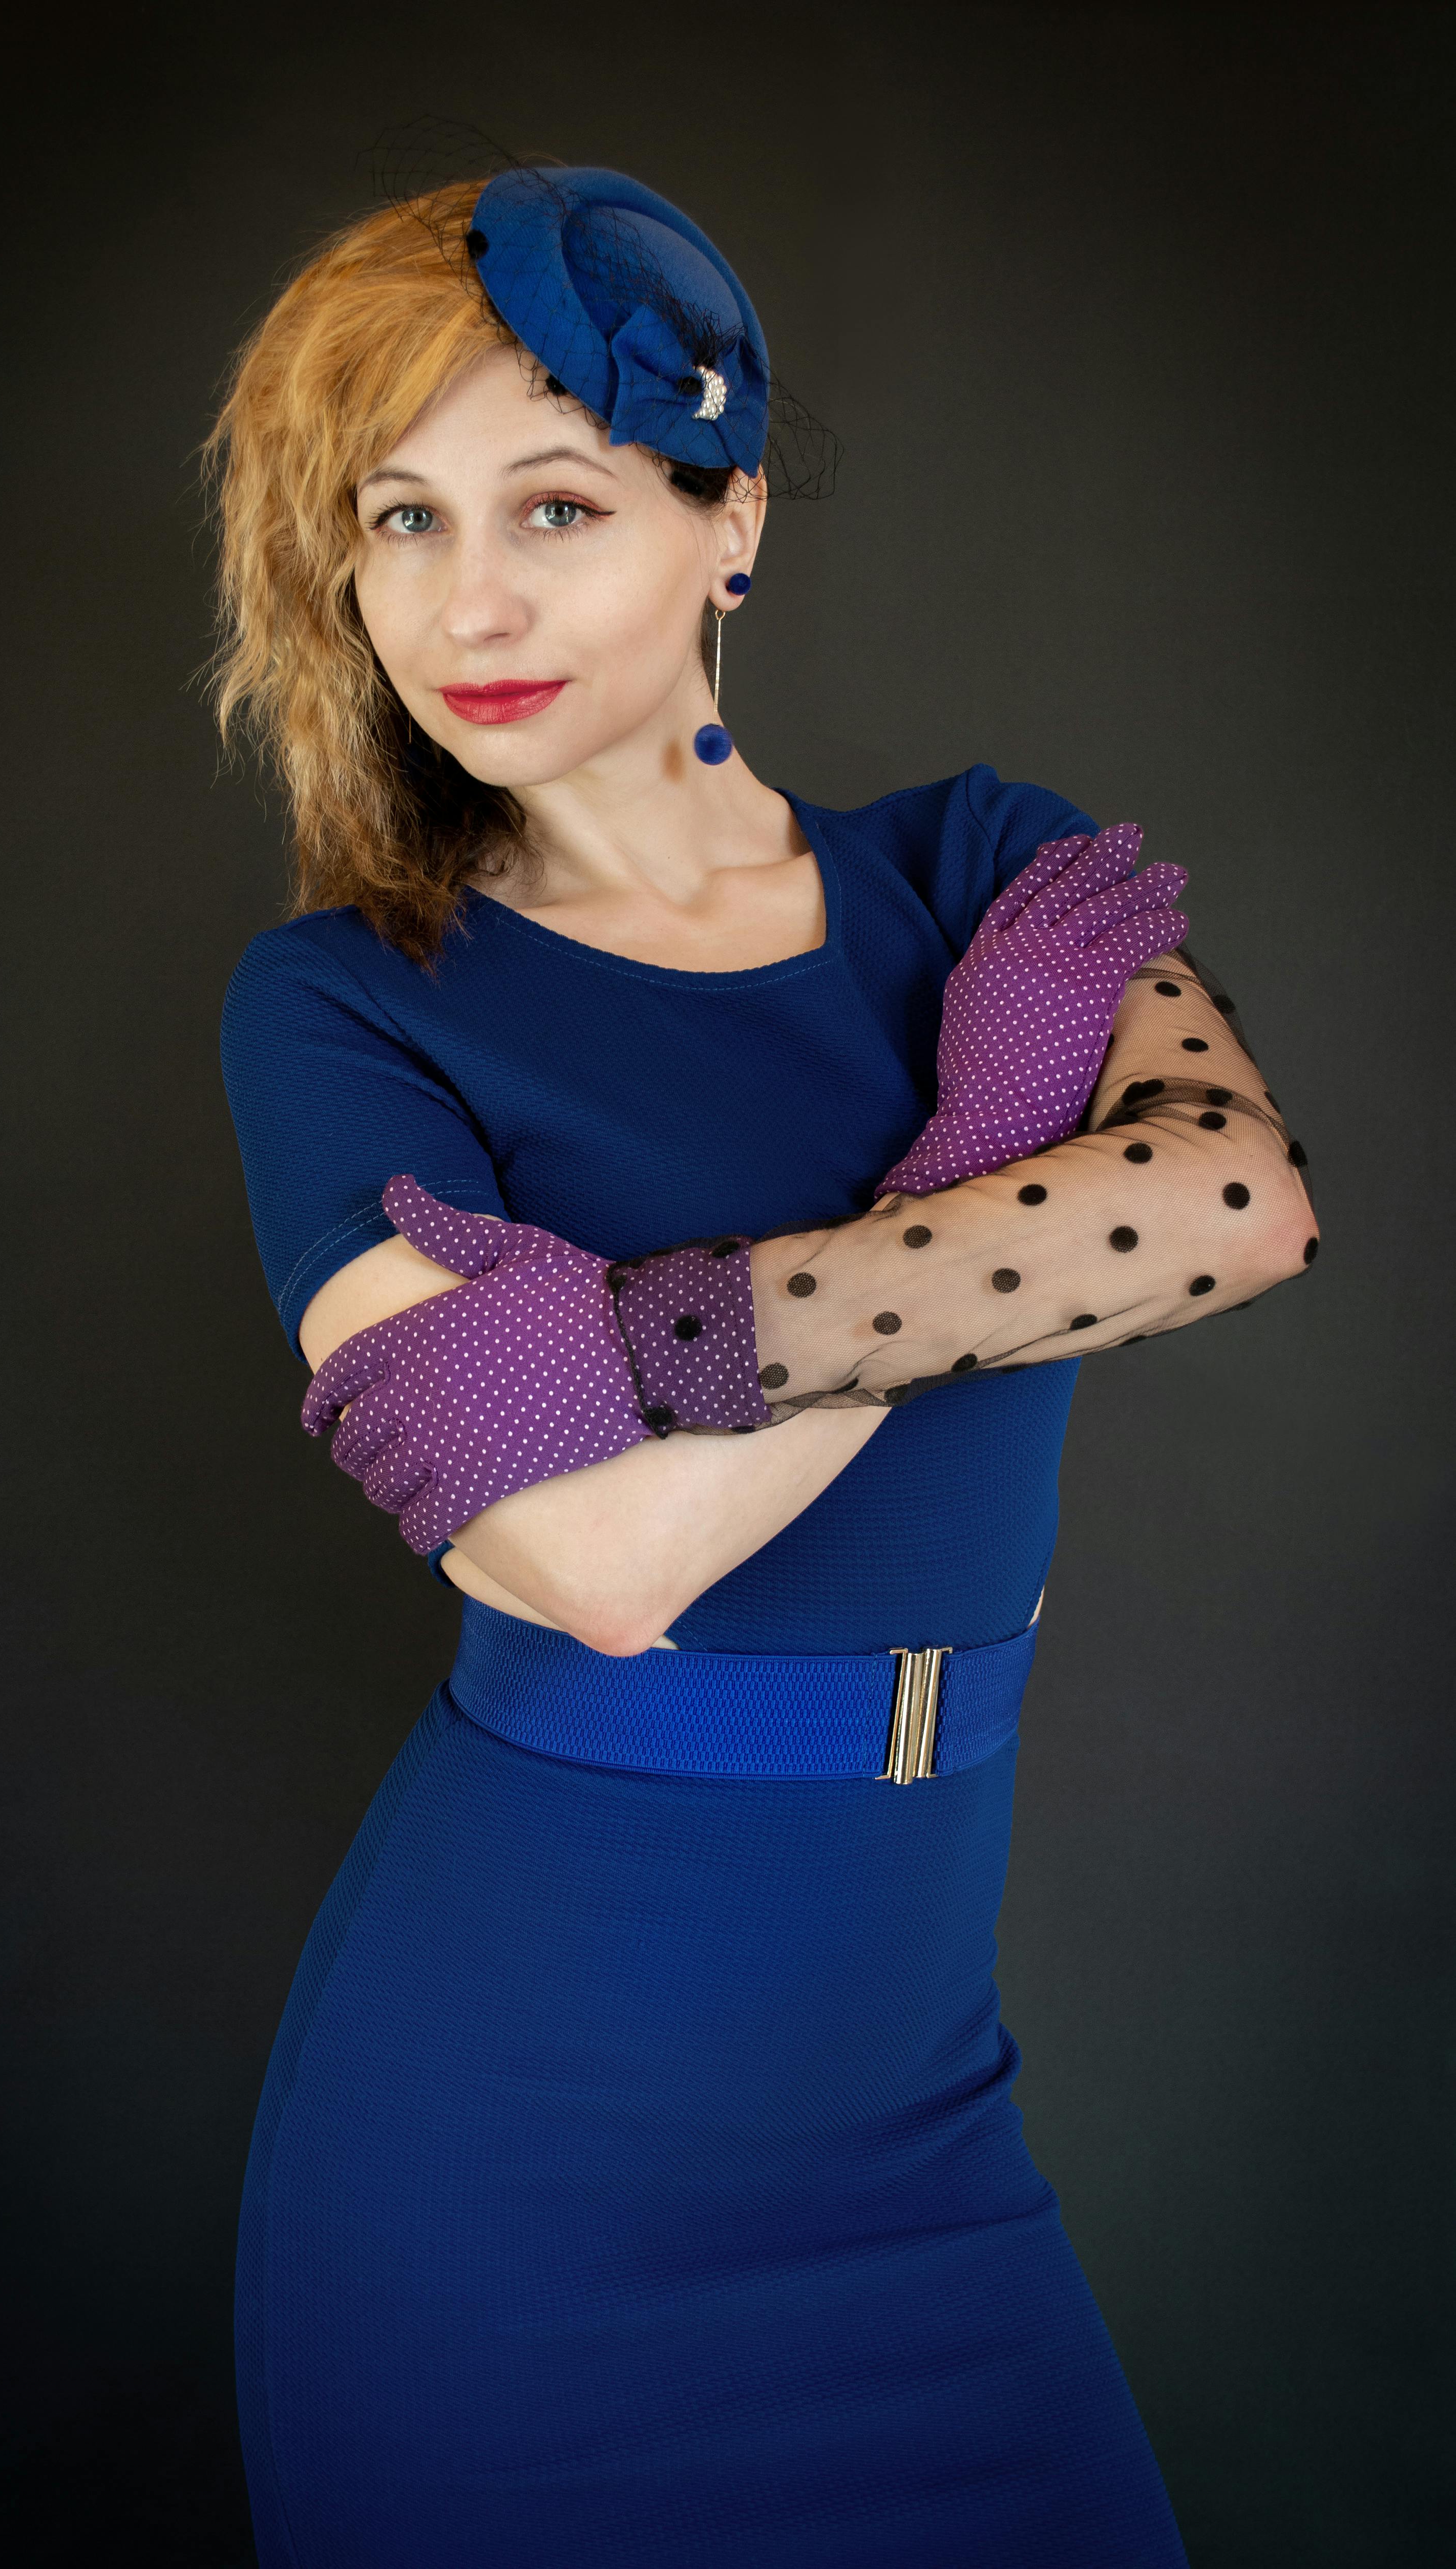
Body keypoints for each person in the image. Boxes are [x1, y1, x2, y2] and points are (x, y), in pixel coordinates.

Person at [212, 161, 1316, 2568]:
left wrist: (649, 1337)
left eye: (554, 503)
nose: (461, 600)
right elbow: (588, 1554)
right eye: (397, 520)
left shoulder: (977, 872)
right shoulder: (343, 1004)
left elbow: (1233, 1204)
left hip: (907, 2126)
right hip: (516, 2165)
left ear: (727, 528)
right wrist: (989, 1150)